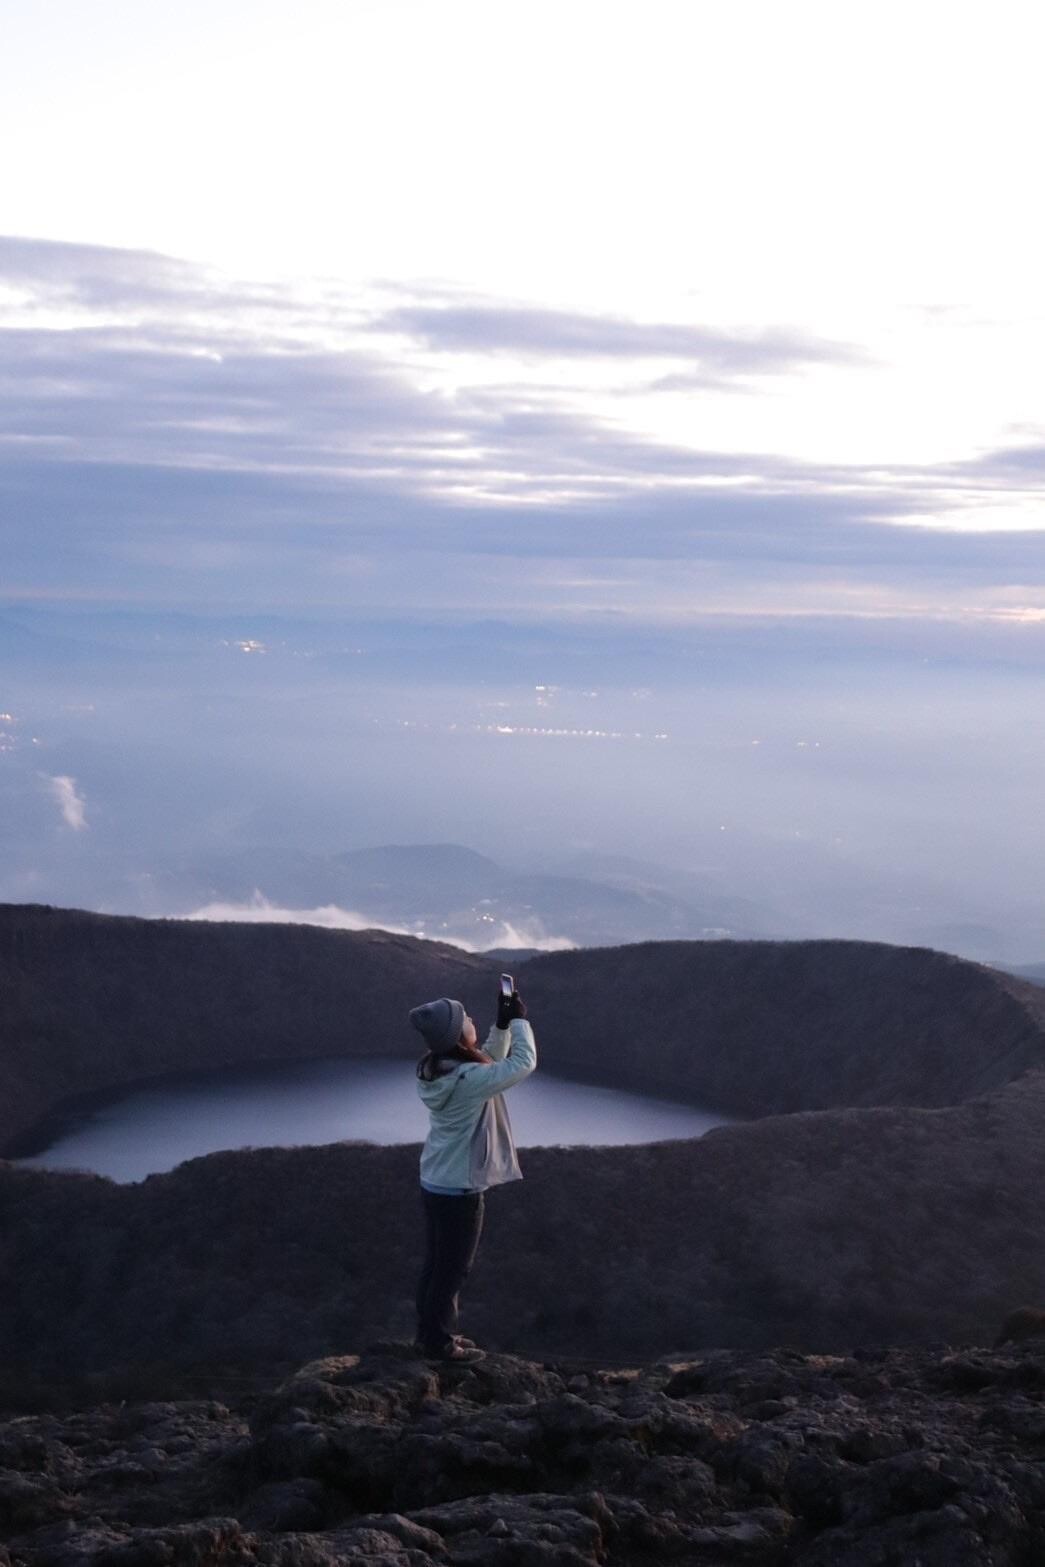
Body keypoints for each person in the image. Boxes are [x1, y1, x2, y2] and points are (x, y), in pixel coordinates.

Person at [410, 983, 536, 1363]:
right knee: (452, 1272)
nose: (470, 1019)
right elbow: (521, 1065)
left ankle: (429, 1335)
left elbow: (487, 1062)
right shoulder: (466, 1080)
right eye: (464, 1019)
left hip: (435, 1181)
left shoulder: (439, 1069)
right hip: (459, 1190)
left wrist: (500, 1026)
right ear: (455, 1035)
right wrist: (519, 1024)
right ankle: (438, 1344)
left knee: (436, 1265)